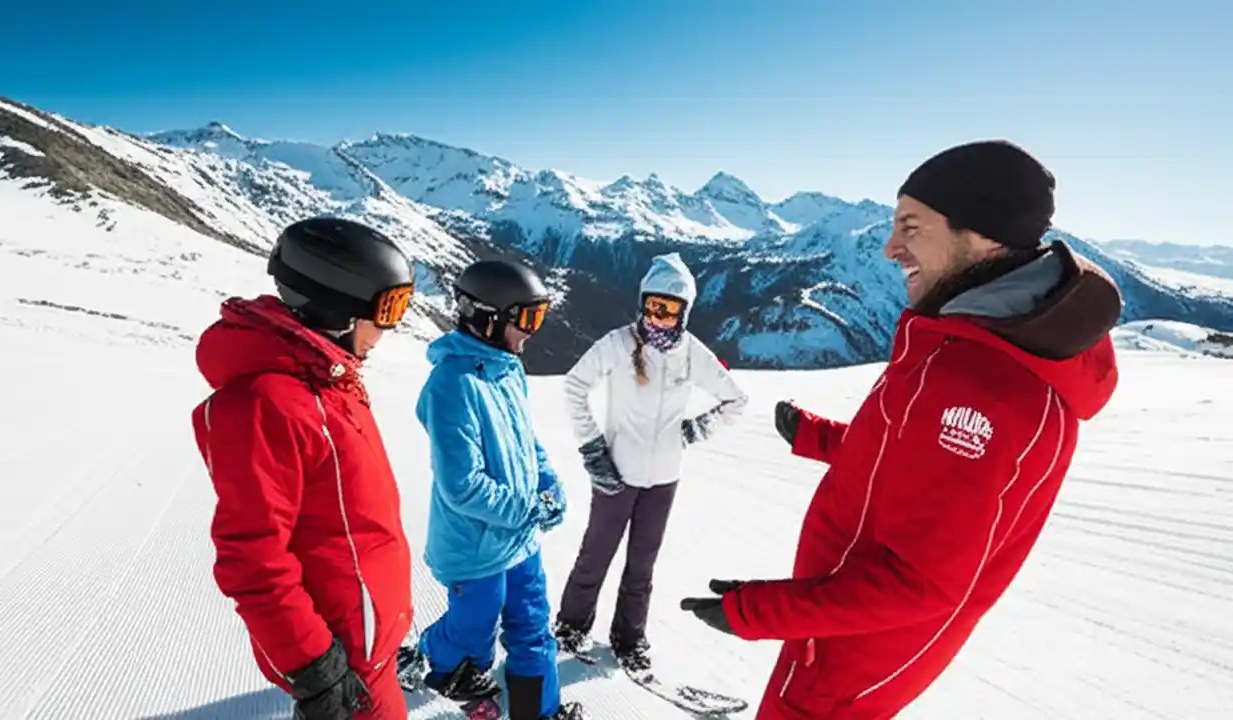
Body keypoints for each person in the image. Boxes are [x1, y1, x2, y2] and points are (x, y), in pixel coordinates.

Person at [679, 140, 1123, 719]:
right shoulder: (965, 339)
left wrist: (759, 612)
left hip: (853, 655)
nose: (890, 248)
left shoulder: (988, 386)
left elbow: (922, 583)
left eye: (910, 227)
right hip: (832, 617)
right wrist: (819, 438)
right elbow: (910, 457)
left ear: (984, 237)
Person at [191, 217, 418, 719]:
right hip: (344, 666)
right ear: (337, 306)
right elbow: (252, 557)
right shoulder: (271, 404)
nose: (389, 328)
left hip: (368, 650)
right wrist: (315, 667)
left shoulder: (328, 381)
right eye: (388, 309)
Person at [552, 252, 749, 672]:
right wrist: (593, 449)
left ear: (684, 313)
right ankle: (570, 626)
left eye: (669, 309)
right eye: (653, 306)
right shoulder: (619, 344)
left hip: (663, 479)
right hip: (616, 473)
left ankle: (629, 638)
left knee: (642, 566)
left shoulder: (691, 354)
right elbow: (574, 385)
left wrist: (694, 430)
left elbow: (736, 400)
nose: (658, 317)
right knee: (595, 555)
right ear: (642, 303)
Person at [414, 259, 583, 720]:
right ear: (488, 318)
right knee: (474, 631)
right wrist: (528, 509)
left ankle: (539, 712)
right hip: (475, 545)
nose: (532, 332)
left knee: (532, 626)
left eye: (538, 317)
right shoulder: (452, 385)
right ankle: (435, 656)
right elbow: (462, 486)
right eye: (526, 319)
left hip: (519, 538)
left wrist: (548, 482)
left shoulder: (507, 369)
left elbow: (526, 442)